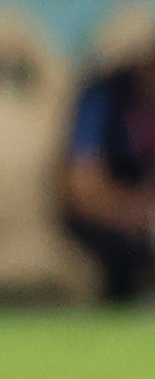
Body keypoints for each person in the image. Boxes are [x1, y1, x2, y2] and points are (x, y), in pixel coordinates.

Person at [62, 38, 155, 305]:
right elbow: (81, 186)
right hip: (111, 220)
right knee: (122, 252)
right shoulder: (104, 96)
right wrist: (137, 214)